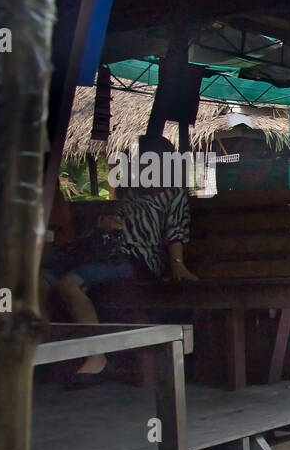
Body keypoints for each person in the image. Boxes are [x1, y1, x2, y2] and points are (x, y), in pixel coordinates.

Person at [49, 134, 197, 381]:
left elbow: (175, 232)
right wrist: (106, 224)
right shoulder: (131, 194)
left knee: (69, 284)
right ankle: (48, 359)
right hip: (111, 254)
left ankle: (97, 356)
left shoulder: (173, 194)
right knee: (47, 280)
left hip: (137, 261)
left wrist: (177, 265)